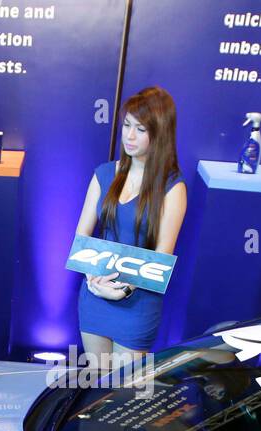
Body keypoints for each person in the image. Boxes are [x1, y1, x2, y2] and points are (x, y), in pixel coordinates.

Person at [76, 86, 186, 366]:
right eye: (126, 126)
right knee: (96, 388)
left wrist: (124, 289)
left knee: (126, 393)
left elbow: (162, 255)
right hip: (95, 295)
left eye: (140, 129)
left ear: (159, 133)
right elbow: (82, 235)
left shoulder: (172, 188)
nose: (129, 136)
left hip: (138, 305)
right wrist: (93, 280)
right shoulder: (103, 174)